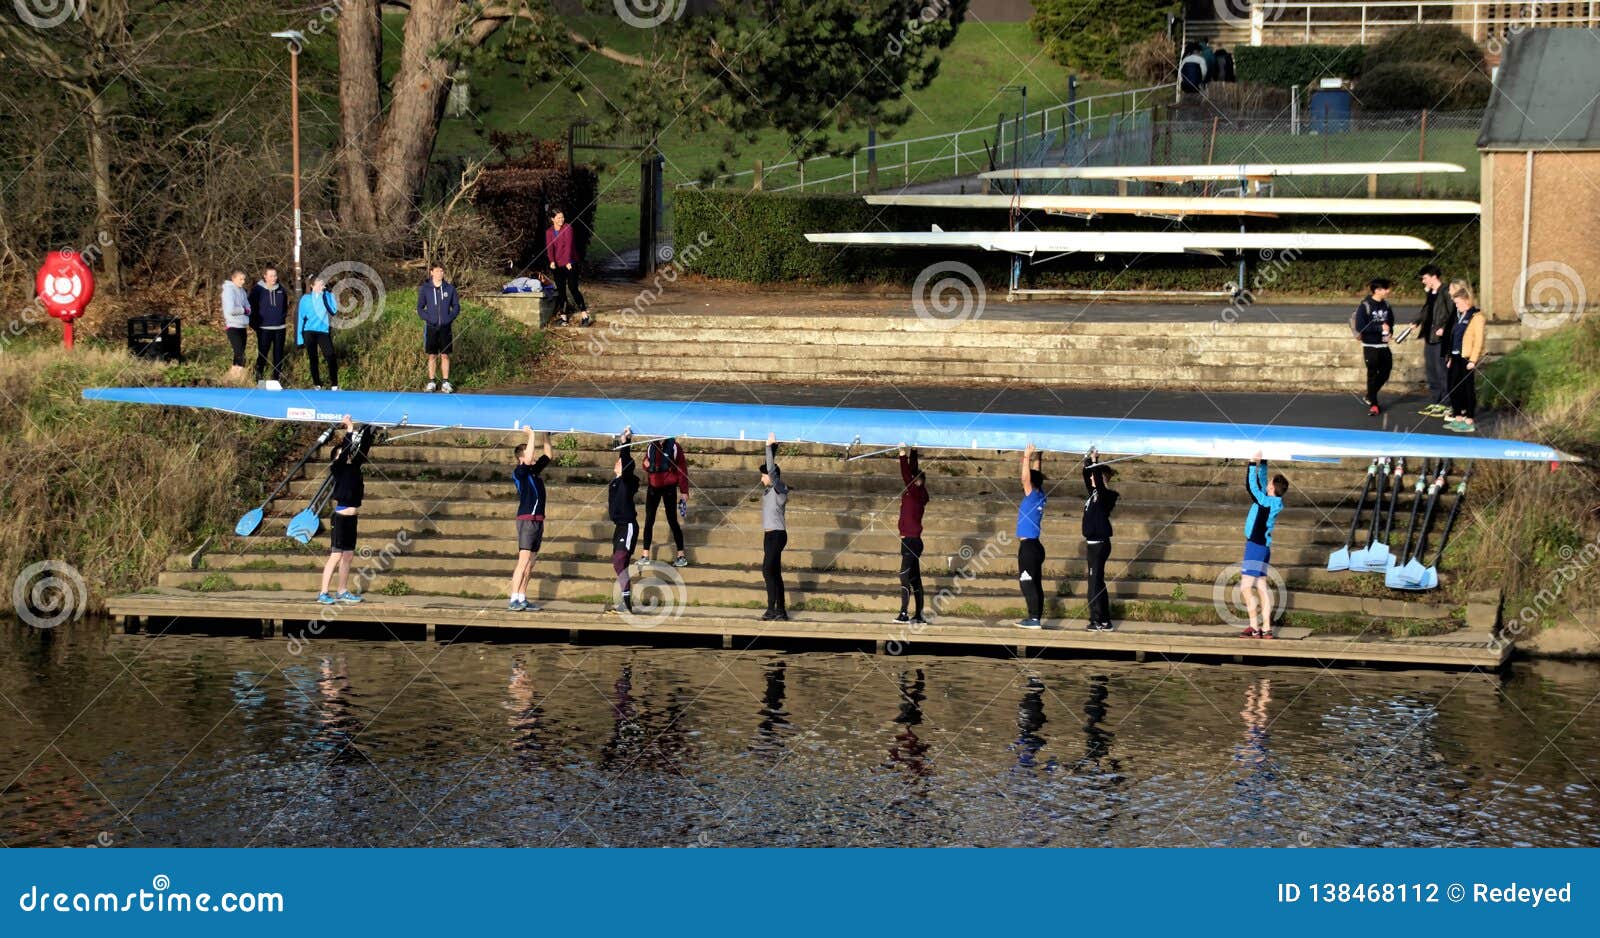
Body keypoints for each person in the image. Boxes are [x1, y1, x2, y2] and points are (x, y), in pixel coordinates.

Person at [318, 416, 372, 605]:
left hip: (352, 519)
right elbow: (346, 450)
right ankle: (323, 593)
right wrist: (349, 429)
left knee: (348, 555)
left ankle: (342, 590)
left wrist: (369, 426)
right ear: (336, 457)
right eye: (342, 453)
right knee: (336, 555)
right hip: (340, 518)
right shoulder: (337, 467)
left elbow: (364, 447)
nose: (347, 455)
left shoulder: (355, 465)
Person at [1239, 451, 1288, 639]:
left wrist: (1252, 463)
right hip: (1264, 548)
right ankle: (1266, 629)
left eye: (1269, 483)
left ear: (1272, 488)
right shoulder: (1273, 501)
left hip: (1255, 547)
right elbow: (1260, 481)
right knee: (1261, 587)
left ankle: (1254, 627)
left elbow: (1251, 487)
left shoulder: (1264, 501)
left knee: (1245, 587)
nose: (1266, 483)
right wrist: (1264, 461)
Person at [508, 427, 552, 612]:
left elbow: (548, 455)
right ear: (521, 457)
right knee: (523, 561)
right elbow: (527, 459)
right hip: (527, 520)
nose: (533, 454)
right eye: (529, 451)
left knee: (531, 563)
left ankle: (522, 597)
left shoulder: (534, 471)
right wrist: (531, 435)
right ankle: (513, 599)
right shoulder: (520, 472)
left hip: (538, 520)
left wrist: (545, 435)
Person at [1081, 448, 1119, 632]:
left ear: (1102, 478)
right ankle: (1104, 620)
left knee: (1094, 584)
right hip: (1092, 544)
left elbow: (1096, 480)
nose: (1091, 480)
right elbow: (1087, 475)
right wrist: (1088, 461)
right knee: (1097, 582)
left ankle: (1096, 620)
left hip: (1099, 544)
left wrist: (1095, 463)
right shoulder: (1093, 494)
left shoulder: (1107, 495)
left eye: (1095, 477)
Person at [640, 436, 690, 569]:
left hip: (669, 487)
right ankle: (645, 555)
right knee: (649, 520)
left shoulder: (675, 447)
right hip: (653, 487)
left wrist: (684, 491)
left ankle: (681, 556)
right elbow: (645, 462)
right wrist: (645, 464)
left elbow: (682, 469)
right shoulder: (651, 446)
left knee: (672, 520)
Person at [607, 427, 641, 614]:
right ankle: (625, 600)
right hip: (619, 526)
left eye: (620, 461)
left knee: (619, 560)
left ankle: (626, 603)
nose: (617, 462)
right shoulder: (615, 482)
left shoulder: (627, 482)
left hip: (628, 525)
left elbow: (626, 460)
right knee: (620, 563)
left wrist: (625, 443)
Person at [1444, 280, 1486, 434]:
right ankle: (1458, 417)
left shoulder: (1477, 317)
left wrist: (1473, 360)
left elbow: (1479, 340)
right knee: (1453, 386)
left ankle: (1469, 418)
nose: (1456, 306)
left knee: (1467, 388)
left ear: (1467, 301)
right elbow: (1454, 337)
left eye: (1458, 303)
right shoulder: (1460, 316)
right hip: (1455, 356)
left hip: (1467, 358)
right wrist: (1450, 357)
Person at [1414, 264, 1455, 417]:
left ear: (1433, 277)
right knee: (1431, 371)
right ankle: (1436, 401)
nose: (1423, 281)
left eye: (1425, 278)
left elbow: (1454, 313)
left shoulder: (1446, 291)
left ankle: (1447, 403)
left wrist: (1445, 328)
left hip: (1440, 339)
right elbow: (1427, 310)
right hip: (1429, 337)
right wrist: (1416, 322)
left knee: (1442, 371)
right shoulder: (1431, 293)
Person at [895, 445, 929, 625]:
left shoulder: (917, 492)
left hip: (911, 541)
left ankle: (904, 613)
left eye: (914, 479)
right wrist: (913, 452)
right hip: (910, 541)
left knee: (904, 575)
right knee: (914, 578)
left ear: (919, 482)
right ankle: (919, 616)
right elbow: (912, 470)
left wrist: (902, 455)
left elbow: (906, 474)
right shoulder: (914, 491)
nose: (911, 480)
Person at [1015, 444, 1047, 630]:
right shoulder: (1040, 494)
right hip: (1035, 547)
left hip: (1029, 547)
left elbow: (1026, 478)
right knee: (1034, 583)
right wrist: (1038, 456)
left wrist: (1026, 456)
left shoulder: (1032, 495)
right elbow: (1035, 475)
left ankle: (1034, 618)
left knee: (1026, 581)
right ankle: (1035, 617)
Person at [759, 432, 789, 621]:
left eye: (763, 476)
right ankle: (781, 611)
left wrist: (768, 447)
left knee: (767, 570)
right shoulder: (769, 489)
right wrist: (773, 449)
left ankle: (771, 609)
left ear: (772, 477)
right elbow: (770, 467)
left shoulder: (780, 488)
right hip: (768, 536)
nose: (762, 479)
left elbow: (771, 469)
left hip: (778, 535)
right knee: (775, 573)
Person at [416, 263, 460, 393]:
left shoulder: (450, 288)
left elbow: (456, 306)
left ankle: (445, 382)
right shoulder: (425, 289)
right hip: (431, 327)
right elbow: (420, 308)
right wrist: (429, 318)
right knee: (432, 355)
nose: (439, 273)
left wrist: (449, 318)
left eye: (441, 271)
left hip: (445, 327)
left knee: (445, 355)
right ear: (431, 272)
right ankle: (431, 382)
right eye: (437, 271)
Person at [1353, 277, 1394, 416]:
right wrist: (1379, 328)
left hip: (1384, 345)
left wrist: (1390, 332)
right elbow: (1360, 327)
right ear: (1377, 290)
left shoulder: (1386, 305)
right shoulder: (1365, 306)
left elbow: (1390, 322)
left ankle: (1370, 395)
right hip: (1370, 345)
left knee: (1385, 372)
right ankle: (1374, 404)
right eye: (1386, 288)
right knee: (1372, 374)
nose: (1388, 291)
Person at [546, 209, 592, 327]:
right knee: (561, 291)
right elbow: (550, 248)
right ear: (553, 219)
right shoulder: (549, 232)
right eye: (558, 218)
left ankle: (585, 315)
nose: (561, 220)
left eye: (562, 217)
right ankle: (564, 318)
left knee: (573, 288)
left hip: (570, 263)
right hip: (557, 265)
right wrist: (552, 261)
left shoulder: (567, 228)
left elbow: (568, 246)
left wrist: (567, 261)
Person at [248, 265, 290, 387]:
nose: (274, 278)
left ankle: (276, 380)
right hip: (264, 328)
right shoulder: (257, 290)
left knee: (278, 355)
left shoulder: (281, 289)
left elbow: (284, 307)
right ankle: (258, 378)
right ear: (265, 276)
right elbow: (251, 308)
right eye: (271, 276)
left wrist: (282, 318)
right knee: (263, 354)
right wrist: (255, 324)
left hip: (280, 328)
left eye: (275, 276)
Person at [296, 275, 340, 390]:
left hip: (323, 331)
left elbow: (333, 311)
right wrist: (299, 339)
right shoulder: (305, 299)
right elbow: (300, 318)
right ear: (312, 286)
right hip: (309, 331)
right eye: (319, 284)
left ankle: (334, 385)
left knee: (330, 356)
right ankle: (317, 384)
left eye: (323, 284)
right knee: (313, 358)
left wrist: (325, 297)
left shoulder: (329, 296)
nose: (322, 286)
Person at [220, 269, 250, 383]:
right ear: (233, 279)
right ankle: (234, 379)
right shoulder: (228, 291)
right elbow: (231, 309)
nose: (243, 282)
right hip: (232, 326)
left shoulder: (242, 291)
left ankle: (233, 380)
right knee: (240, 354)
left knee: (238, 355)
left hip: (242, 325)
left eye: (244, 279)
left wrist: (247, 310)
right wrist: (244, 310)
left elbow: (248, 306)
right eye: (240, 279)